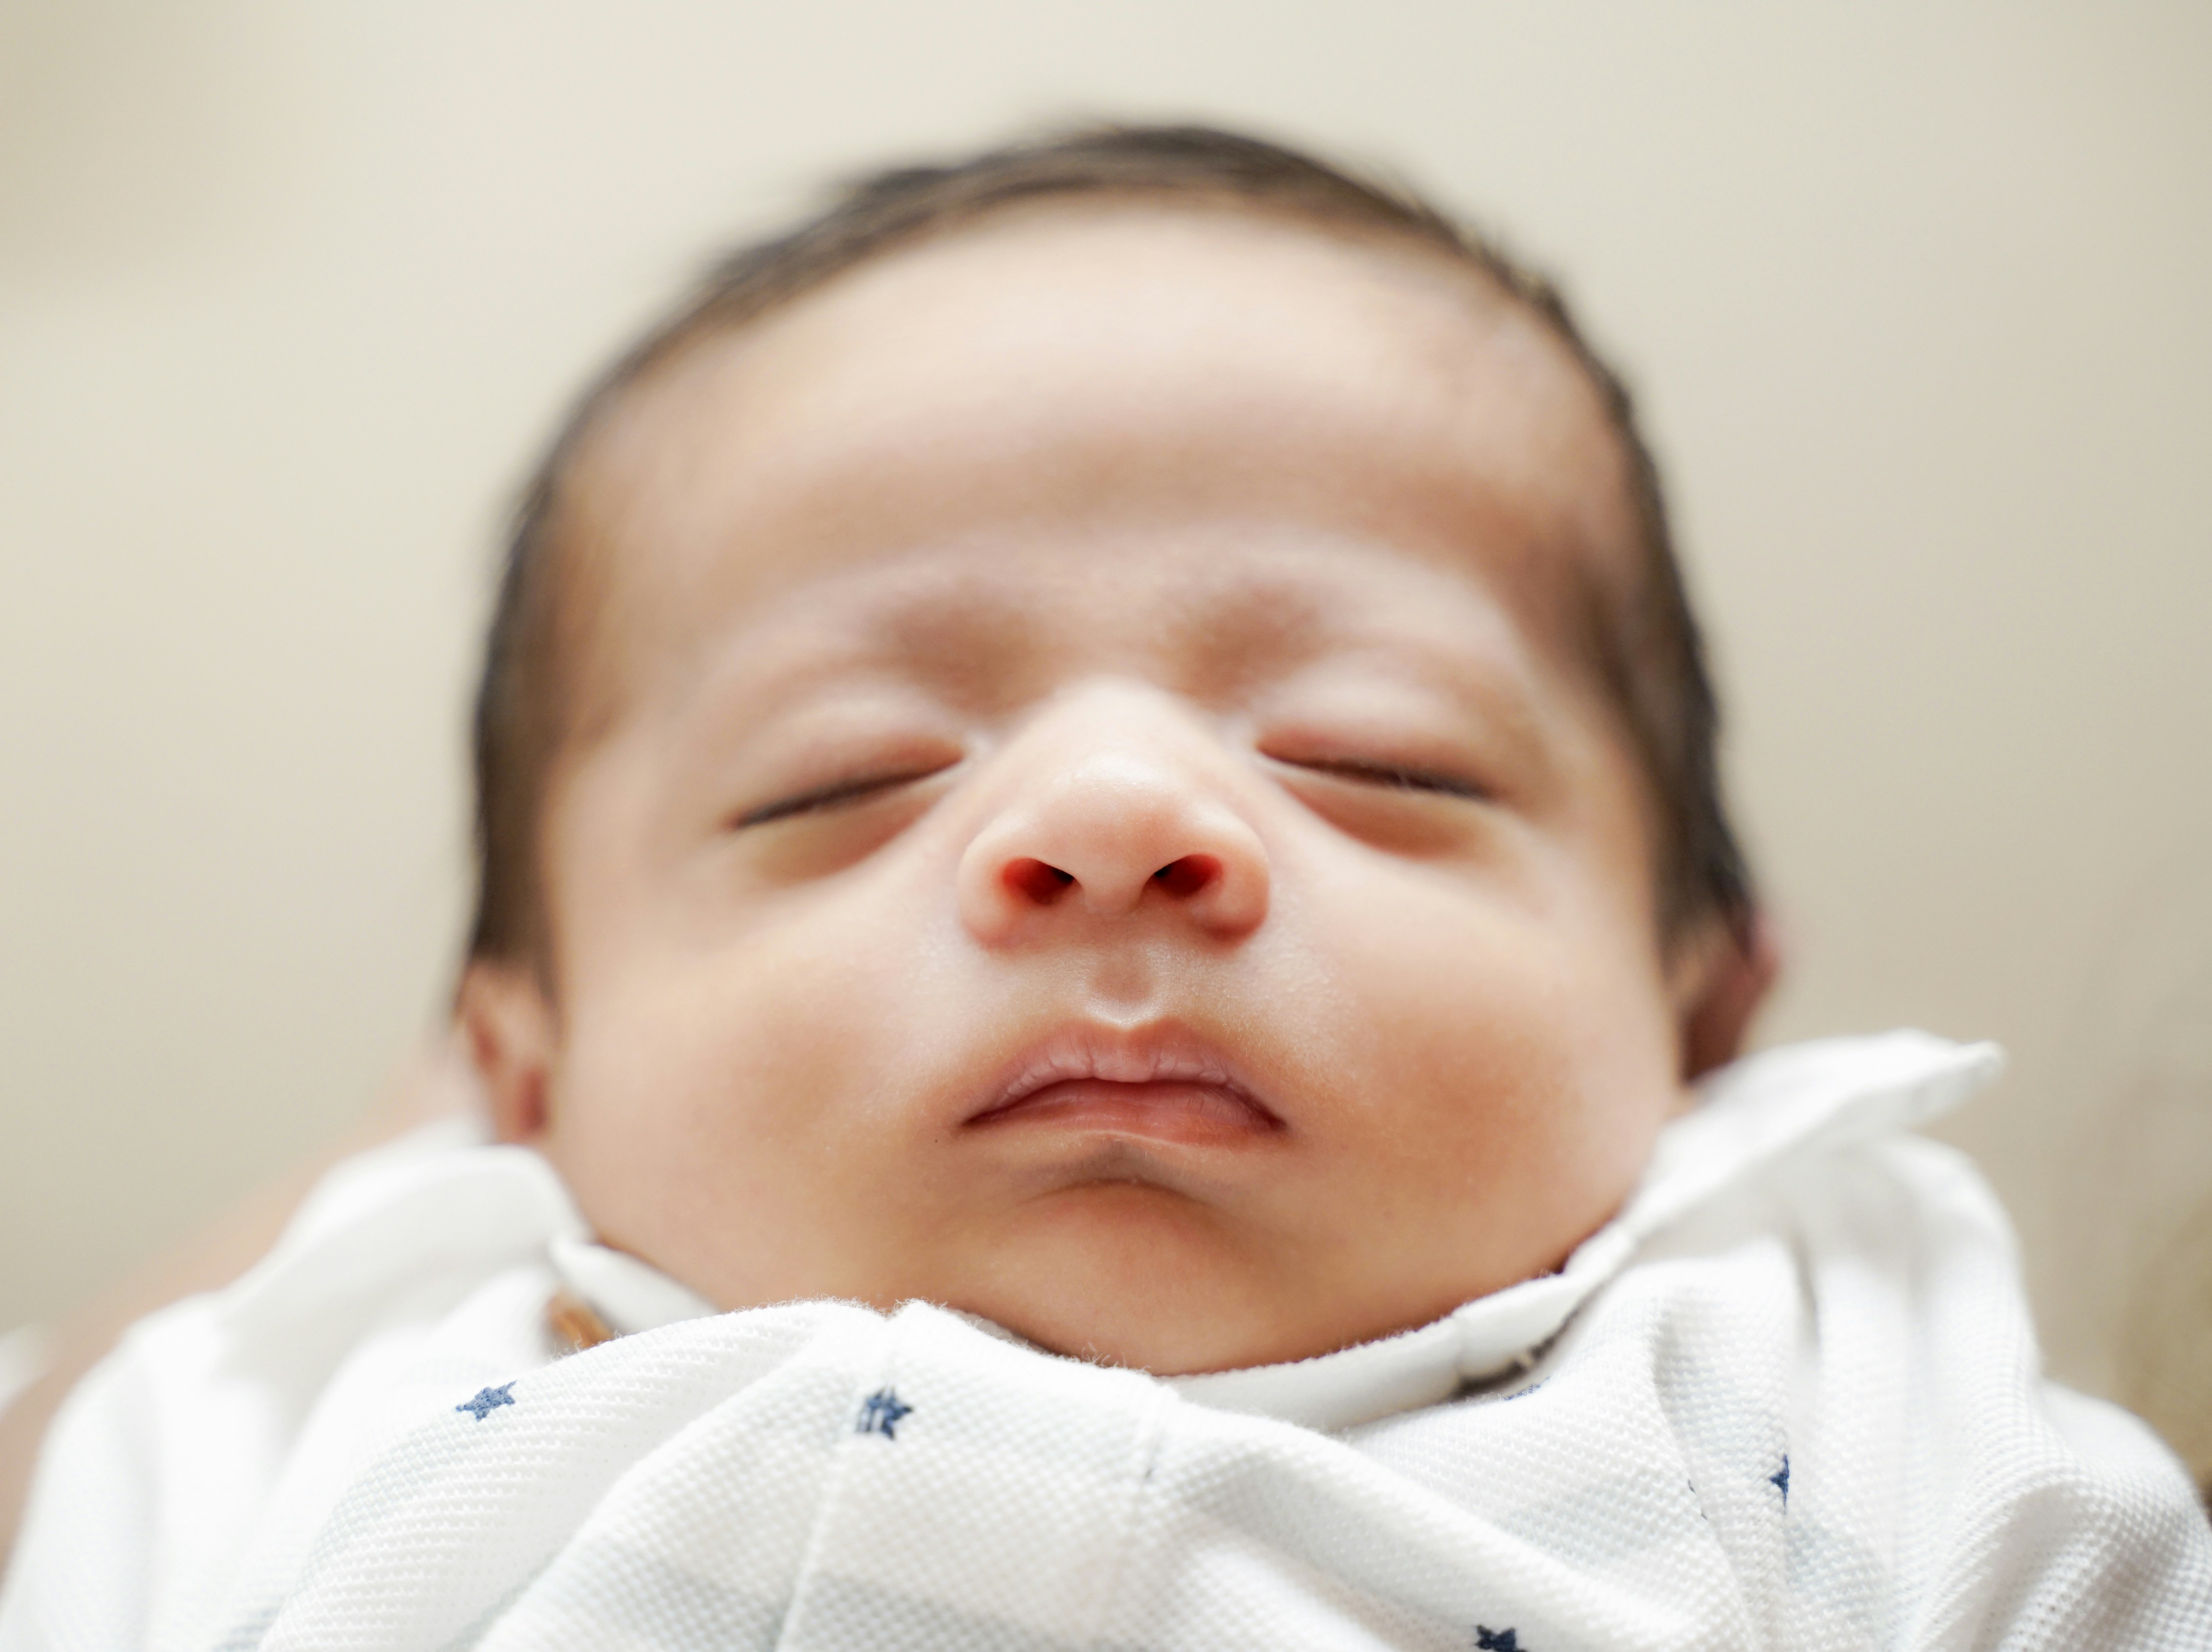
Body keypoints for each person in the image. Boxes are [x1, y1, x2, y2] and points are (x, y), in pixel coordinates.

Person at [2, 125, 2205, 1648]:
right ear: (520, 1066)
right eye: (842, 779)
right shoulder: (348, 1384)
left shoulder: (1814, 1372)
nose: (1123, 816)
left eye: (1379, 756)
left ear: (1703, 1024)